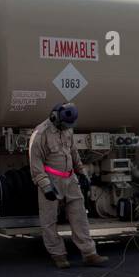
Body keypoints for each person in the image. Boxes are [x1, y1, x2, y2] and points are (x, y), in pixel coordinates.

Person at [29, 103, 108, 268]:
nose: (66, 128)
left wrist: (82, 174)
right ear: (54, 117)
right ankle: (58, 256)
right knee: (49, 220)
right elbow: (35, 164)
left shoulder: (67, 129)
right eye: (64, 124)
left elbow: (74, 153)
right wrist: (46, 186)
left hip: (70, 179)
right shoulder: (40, 134)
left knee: (80, 217)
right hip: (51, 180)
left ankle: (89, 254)